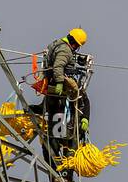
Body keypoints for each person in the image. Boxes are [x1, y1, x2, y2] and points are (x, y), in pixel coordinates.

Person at [29, 28, 91, 166]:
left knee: (62, 113)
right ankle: (66, 158)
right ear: (74, 43)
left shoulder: (56, 44)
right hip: (59, 87)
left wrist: (85, 118)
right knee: (65, 126)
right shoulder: (65, 50)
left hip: (54, 89)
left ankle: (62, 159)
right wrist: (59, 82)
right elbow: (58, 67)